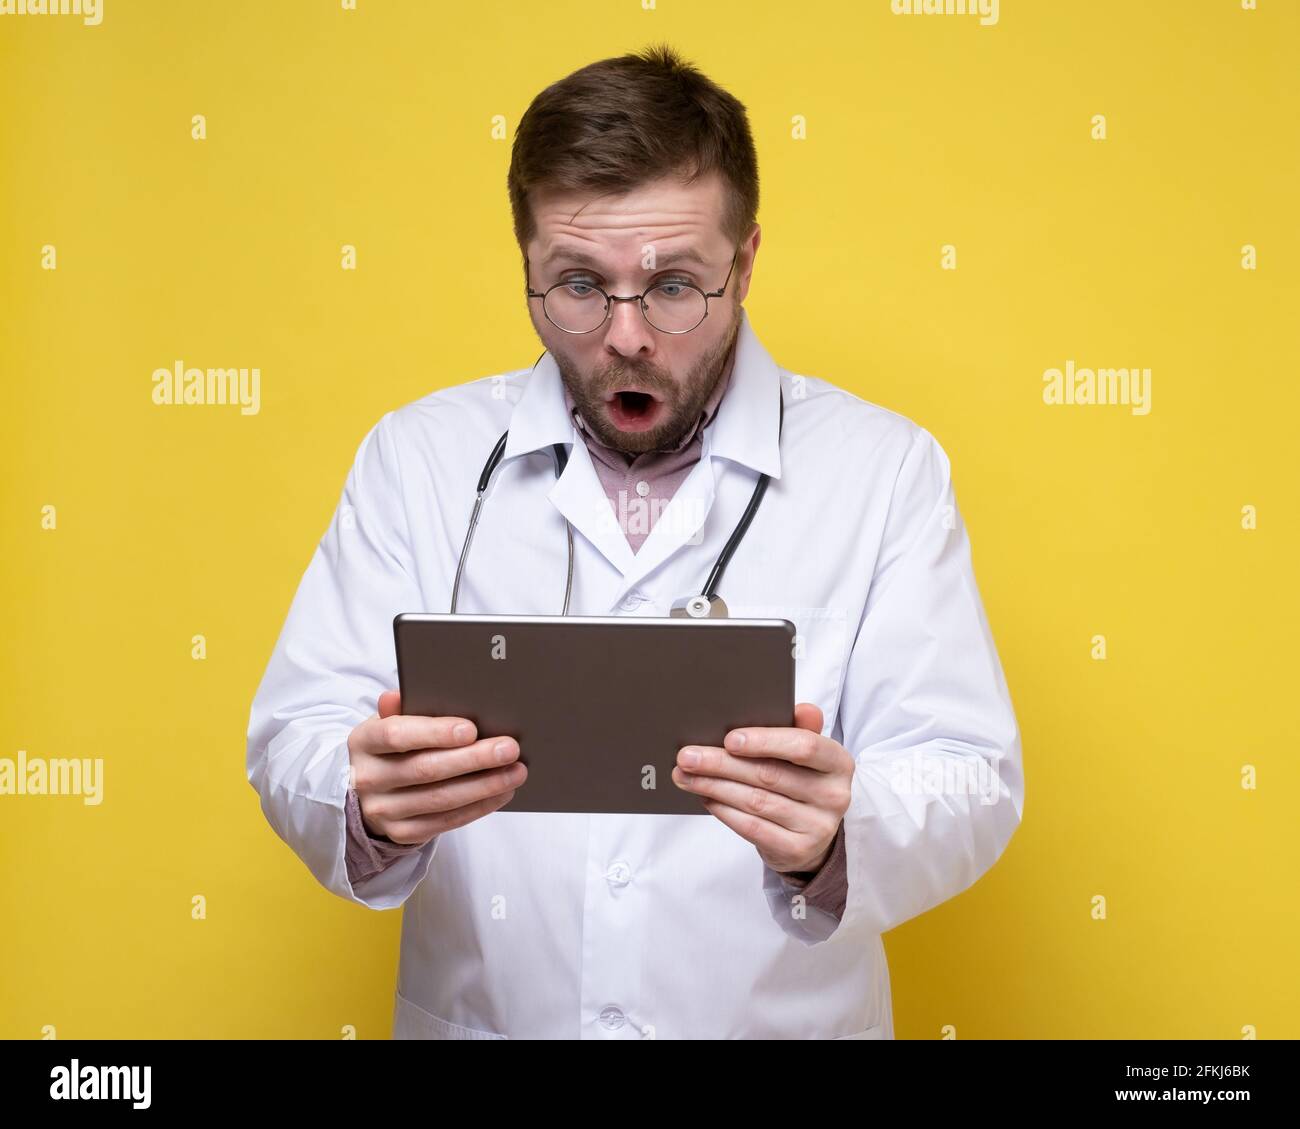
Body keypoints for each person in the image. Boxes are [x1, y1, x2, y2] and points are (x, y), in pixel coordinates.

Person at [246, 43, 1023, 1040]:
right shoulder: (418, 459)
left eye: (672, 286)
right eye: (576, 283)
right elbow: (293, 731)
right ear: (524, 261)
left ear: (743, 264)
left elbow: (967, 771)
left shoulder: (883, 470)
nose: (625, 337)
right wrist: (364, 798)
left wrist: (843, 830)